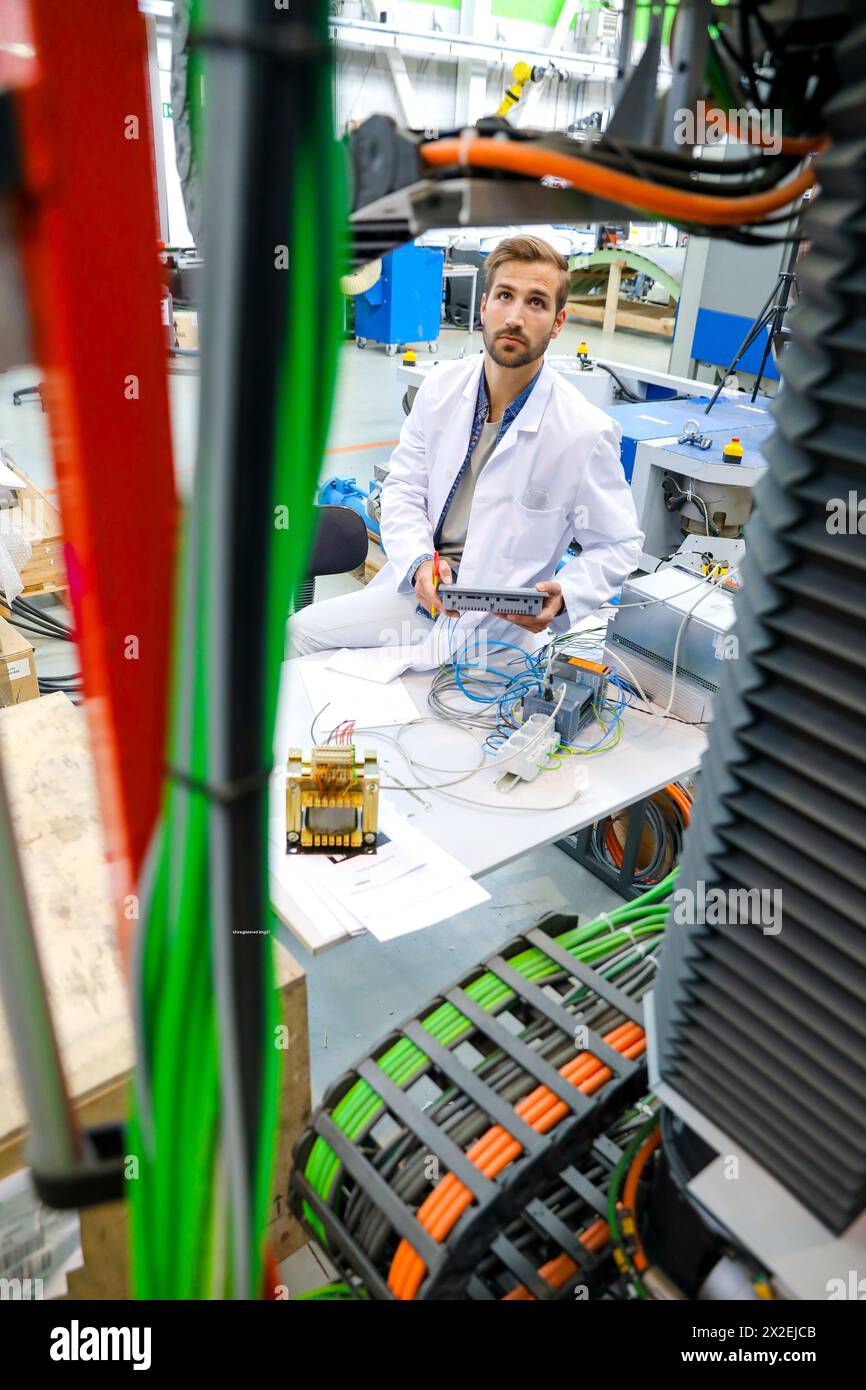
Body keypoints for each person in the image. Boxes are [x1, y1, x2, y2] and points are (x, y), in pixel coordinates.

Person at [291, 234, 643, 662]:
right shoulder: (441, 388)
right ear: (483, 306)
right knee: (300, 633)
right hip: (423, 600)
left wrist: (567, 595)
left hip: (503, 628)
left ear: (557, 322)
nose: (514, 316)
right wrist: (421, 562)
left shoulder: (584, 432)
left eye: (536, 302)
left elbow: (618, 544)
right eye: (505, 296)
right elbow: (404, 488)